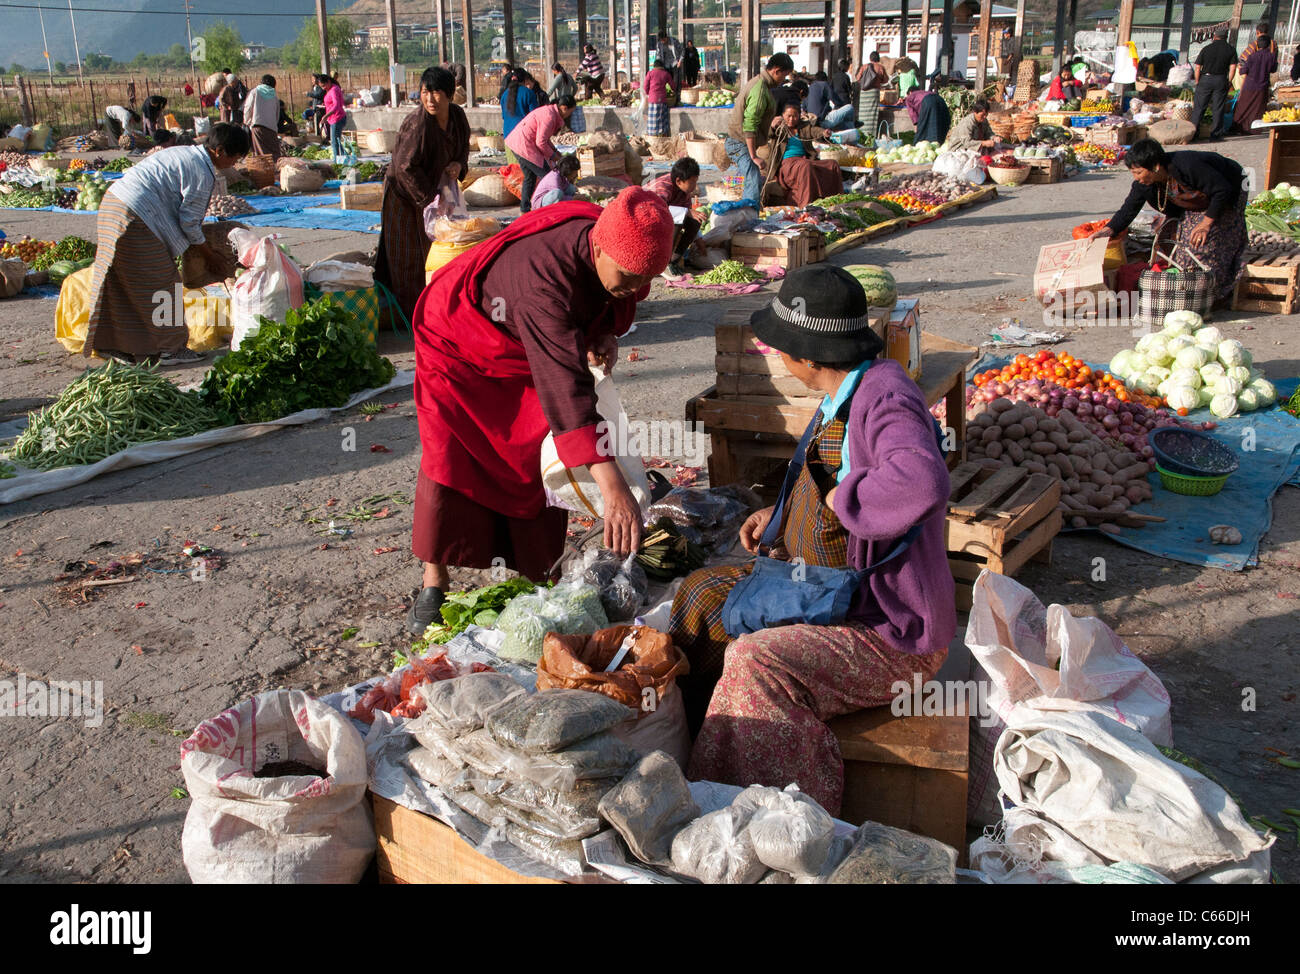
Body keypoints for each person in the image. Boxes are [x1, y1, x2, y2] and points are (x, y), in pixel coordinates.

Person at [668, 264, 956, 812]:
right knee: (698, 598)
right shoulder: (841, 395)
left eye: (779, 346)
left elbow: (922, 479)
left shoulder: (885, 397)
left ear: (807, 355)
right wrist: (773, 522)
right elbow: (817, 472)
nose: (775, 355)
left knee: (757, 661)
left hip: (889, 628)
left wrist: (841, 500)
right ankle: (700, 765)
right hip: (827, 590)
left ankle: (789, 818)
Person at [406, 187, 673, 634]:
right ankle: (434, 578)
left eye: (643, 281)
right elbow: (567, 394)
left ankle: (539, 571)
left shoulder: (606, 237)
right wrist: (614, 492)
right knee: (450, 454)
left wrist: (605, 332)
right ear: (600, 244)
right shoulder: (543, 284)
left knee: (535, 451)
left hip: (521, 343)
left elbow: (602, 301)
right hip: (456, 342)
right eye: (627, 276)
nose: (633, 289)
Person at [83, 123, 250, 367]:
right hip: (135, 217)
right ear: (220, 151)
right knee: (165, 285)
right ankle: (172, 349)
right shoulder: (201, 171)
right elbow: (190, 224)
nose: (234, 164)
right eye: (235, 158)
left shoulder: (186, 153)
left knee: (120, 280)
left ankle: (113, 345)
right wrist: (209, 255)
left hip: (113, 205)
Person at [1089, 138, 1246, 306]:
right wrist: (1108, 230)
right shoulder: (1144, 184)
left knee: (1207, 244)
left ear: (1156, 166)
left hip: (1227, 192)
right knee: (1184, 247)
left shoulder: (1189, 165)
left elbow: (1222, 190)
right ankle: (1193, 292)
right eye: (1133, 173)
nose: (1137, 178)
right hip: (1197, 204)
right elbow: (1129, 208)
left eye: (1139, 172)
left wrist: (1206, 223)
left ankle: (1217, 294)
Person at [372, 67, 469, 323]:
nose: (430, 99)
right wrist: (430, 201)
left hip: (435, 193)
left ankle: (434, 305)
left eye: (437, 93)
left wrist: (458, 165)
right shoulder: (417, 124)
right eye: (426, 92)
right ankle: (411, 316)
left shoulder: (458, 118)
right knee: (406, 255)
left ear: (449, 95)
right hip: (403, 195)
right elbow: (405, 167)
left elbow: (462, 150)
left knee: (434, 250)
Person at [725, 52, 794, 205]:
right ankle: (748, 221)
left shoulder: (762, 84)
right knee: (753, 181)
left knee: (753, 180)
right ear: (776, 70)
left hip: (743, 141)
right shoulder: (760, 89)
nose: (783, 80)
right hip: (739, 142)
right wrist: (753, 156)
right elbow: (750, 125)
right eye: (784, 75)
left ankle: (749, 215)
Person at [765, 100, 843, 208]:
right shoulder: (779, 128)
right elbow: (768, 134)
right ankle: (805, 206)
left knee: (832, 164)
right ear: (783, 115)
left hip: (804, 160)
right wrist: (773, 126)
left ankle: (836, 202)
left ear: (799, 116)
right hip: (787, 164)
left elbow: (814, 131)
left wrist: (823, 133)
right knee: (805, 166)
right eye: (788, 116)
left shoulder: (803, 128)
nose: (791, 119)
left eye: (795, 116)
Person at [505, 96, 576, 213]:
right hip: (524, 146)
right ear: (564, 108)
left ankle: (525, 209)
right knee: (548, 175)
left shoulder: (550, 112)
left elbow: (545, 139)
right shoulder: (549, 116)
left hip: (518, 143)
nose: (569, 115)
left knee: (530, 177)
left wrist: (557, 153)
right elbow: (541, 142)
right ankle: (545, 209)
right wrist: (555, 157)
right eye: (570, 111)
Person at [648, 156, 708, 276]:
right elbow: (656, 210)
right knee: (677, 219)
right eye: (692, 182)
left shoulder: (685, 192)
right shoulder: (663, 186)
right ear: (679, 181)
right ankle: (664, 262)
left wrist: (698, 238)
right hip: (648, 219)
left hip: (663, 218)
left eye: (695, 182)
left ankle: (673, 261)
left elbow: (687, 212)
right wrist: (686, 212)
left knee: (694, 221)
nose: (694, 186)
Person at [1192, 27, 1237, 143]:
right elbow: (1233, 68)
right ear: (1226, 37)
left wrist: (1197, 81)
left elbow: (1197, 67)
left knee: (1199, 107)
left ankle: (1193, 133)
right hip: (1221, 79)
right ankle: (1215, 135)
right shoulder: (1231, 50)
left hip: (1205, 79)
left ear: (1215, 37)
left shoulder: (1206, 49)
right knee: (1218, 108)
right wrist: (1229, 81)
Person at [1233, 34, 1277, 134]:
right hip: (1262, 86)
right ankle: (1254, 129)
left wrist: (1241, 68)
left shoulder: (1252, 56)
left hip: (1249, 85)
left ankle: (1240, 128)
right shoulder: (1271, 56)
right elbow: (1273, 69)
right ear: (1268, 45)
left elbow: (1244, 71)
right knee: (1257, 109)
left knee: (1243, 107)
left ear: (1258, 45)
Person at [243, 75, 282, 159]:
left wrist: (247, 122)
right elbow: (277, 113)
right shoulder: (274, 95)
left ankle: (265, 170)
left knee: (261, 153)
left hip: (258, 125)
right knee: (274, 152)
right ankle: (276, 169)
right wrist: (274, 124)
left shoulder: (254, 92)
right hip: (272, 128)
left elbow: (248, 108)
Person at [500, 68, 538, 140]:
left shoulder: (504, 95)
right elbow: (534, 116)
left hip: (508, 136)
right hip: (523, 136)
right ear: (525, 79)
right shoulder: (529, 93)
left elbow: (504, 116)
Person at [855, 52, 888, 136]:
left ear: (870, 58)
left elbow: (858, 78)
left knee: (863, 114)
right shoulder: (880, 67)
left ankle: (862, 132)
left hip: (864, 93)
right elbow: (885, 80)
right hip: (874, 92)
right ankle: (871, 134)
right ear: (878, 59)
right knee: (872, 114)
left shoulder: (864, 67)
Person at [316, 73, 346, 161]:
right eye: (321, 87)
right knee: (336, 141)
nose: (323, 88)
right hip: (333, 119)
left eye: (324, 85)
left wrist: (325, 116)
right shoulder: (331, 89)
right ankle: (343, 158)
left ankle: (337, 160)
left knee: (334, 141)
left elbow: (336, 105)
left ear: (328, 82)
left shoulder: (334, 90)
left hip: (337, 118)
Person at [643, 57, 674, 136]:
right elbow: (673, 86)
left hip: (652, 99)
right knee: (661, 119)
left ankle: (652, 135)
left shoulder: (650, 73)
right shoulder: (665, 74)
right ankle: (662, 135)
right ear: (662, 66)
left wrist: (648, 93)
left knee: (652, 119)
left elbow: (645, 87)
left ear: (654, 66)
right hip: (662, 100)